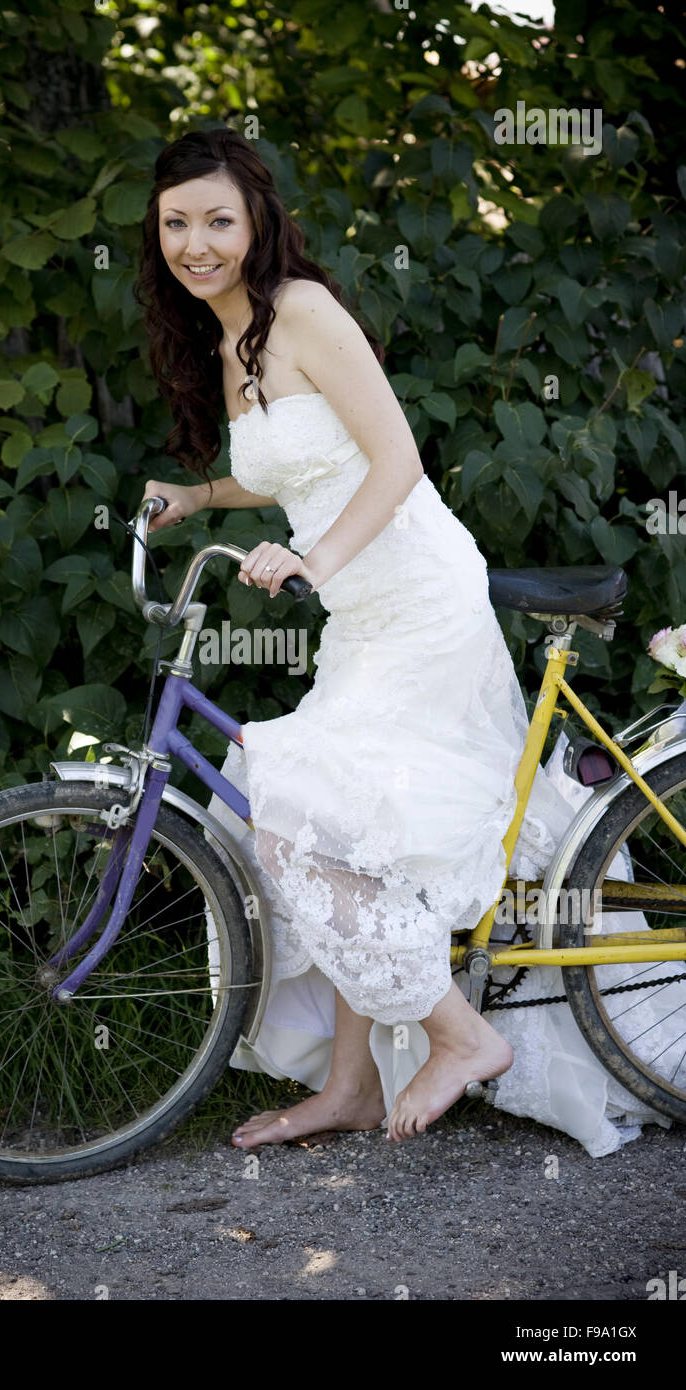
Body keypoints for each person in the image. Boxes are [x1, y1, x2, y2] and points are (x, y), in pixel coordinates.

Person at [134, 128, 676, 1159]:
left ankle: (461, 1037)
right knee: (342, 830)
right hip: (361, 619)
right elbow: (293, 463)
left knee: (295, 812)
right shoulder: (231, 334)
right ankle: (347, 1085)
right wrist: (200, 493)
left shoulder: (301, 311)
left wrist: (315, 559)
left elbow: (392, 458)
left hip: (419, 600)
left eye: (216, 220)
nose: (195, 242)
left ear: (257, 223)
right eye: (176, 223)